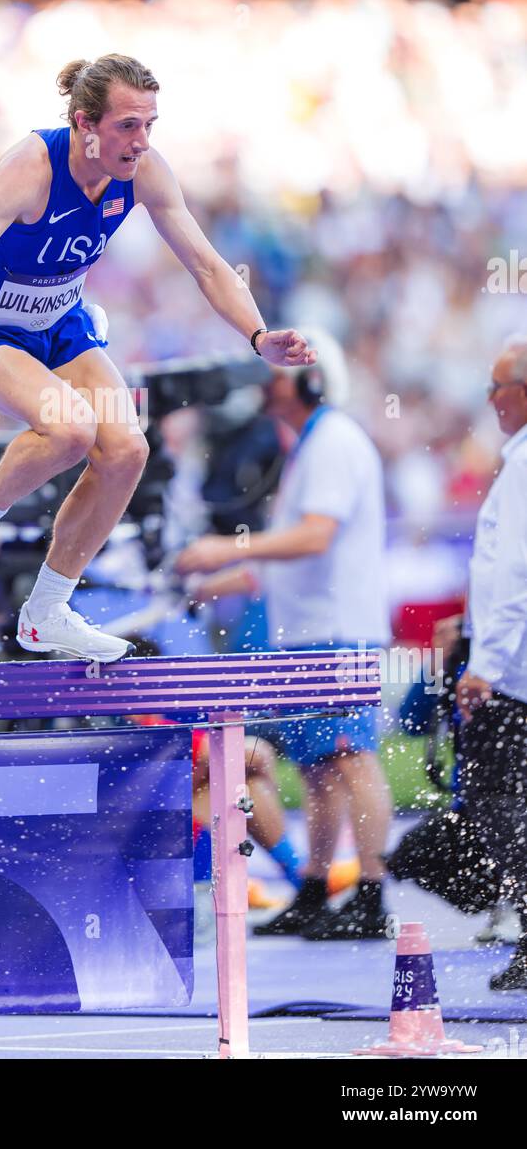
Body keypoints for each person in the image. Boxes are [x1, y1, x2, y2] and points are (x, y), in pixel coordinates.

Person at [0, 54, 316, 662]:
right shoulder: (30, 167)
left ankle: (47, 610)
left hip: (61, 321)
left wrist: (259, 336)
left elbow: (208, 265)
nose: (141, 143)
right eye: (127, 127)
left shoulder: (146, 172)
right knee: (70, 428)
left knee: (127, 449)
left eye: (150, 125)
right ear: (85, 124)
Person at [175, 328, 393, 939]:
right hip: (310, 630)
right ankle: (319, 888)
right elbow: (286, 555)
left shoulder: (334, 442)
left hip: (335, 630)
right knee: (319, 767)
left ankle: (372, 894)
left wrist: (225, 547)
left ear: (310, 377)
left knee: (351, 759)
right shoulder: (312, 445)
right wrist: (217, 576)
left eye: (275, 374)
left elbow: (314, 537)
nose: (264, 387)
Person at [456, 337, 527, 990]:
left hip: (513, 676)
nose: (490, 399)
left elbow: (516, 578)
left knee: (498, 802)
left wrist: (486, 664)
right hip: (511, 662)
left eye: (498, 386)